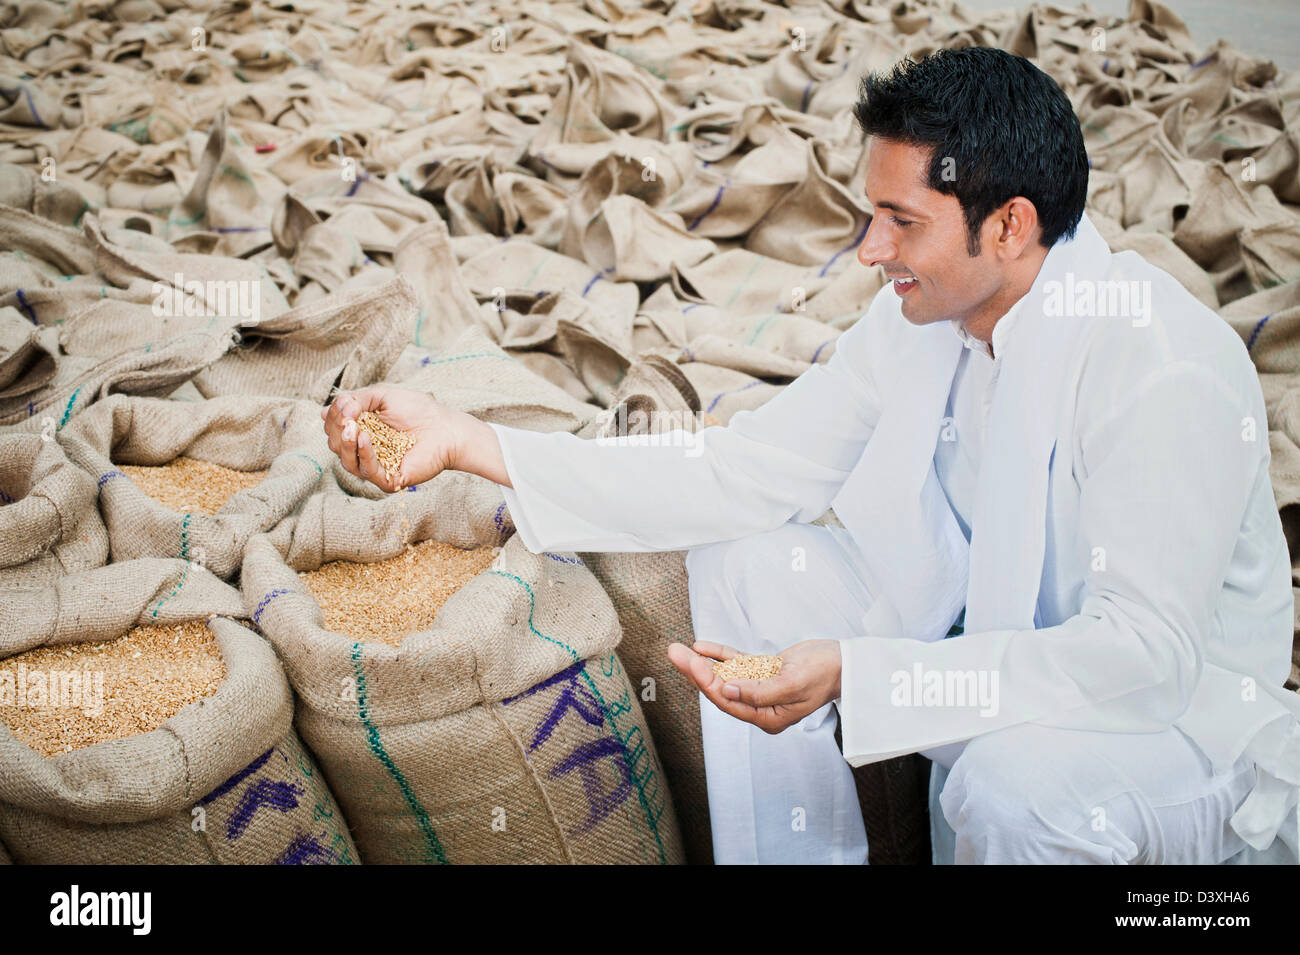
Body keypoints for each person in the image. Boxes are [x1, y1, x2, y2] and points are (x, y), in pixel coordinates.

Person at [322, 47, 1300, 865]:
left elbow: (1142, 660)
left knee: (1014, 789)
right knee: (751, 565)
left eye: (902, 221)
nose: (871, 250)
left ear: (1008, 225)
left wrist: (862, 675)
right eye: (871, 214)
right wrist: (469, 440)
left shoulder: (1159, 362)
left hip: (1181, 734)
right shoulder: (923, 319)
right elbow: (741, 471)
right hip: (988, 644)